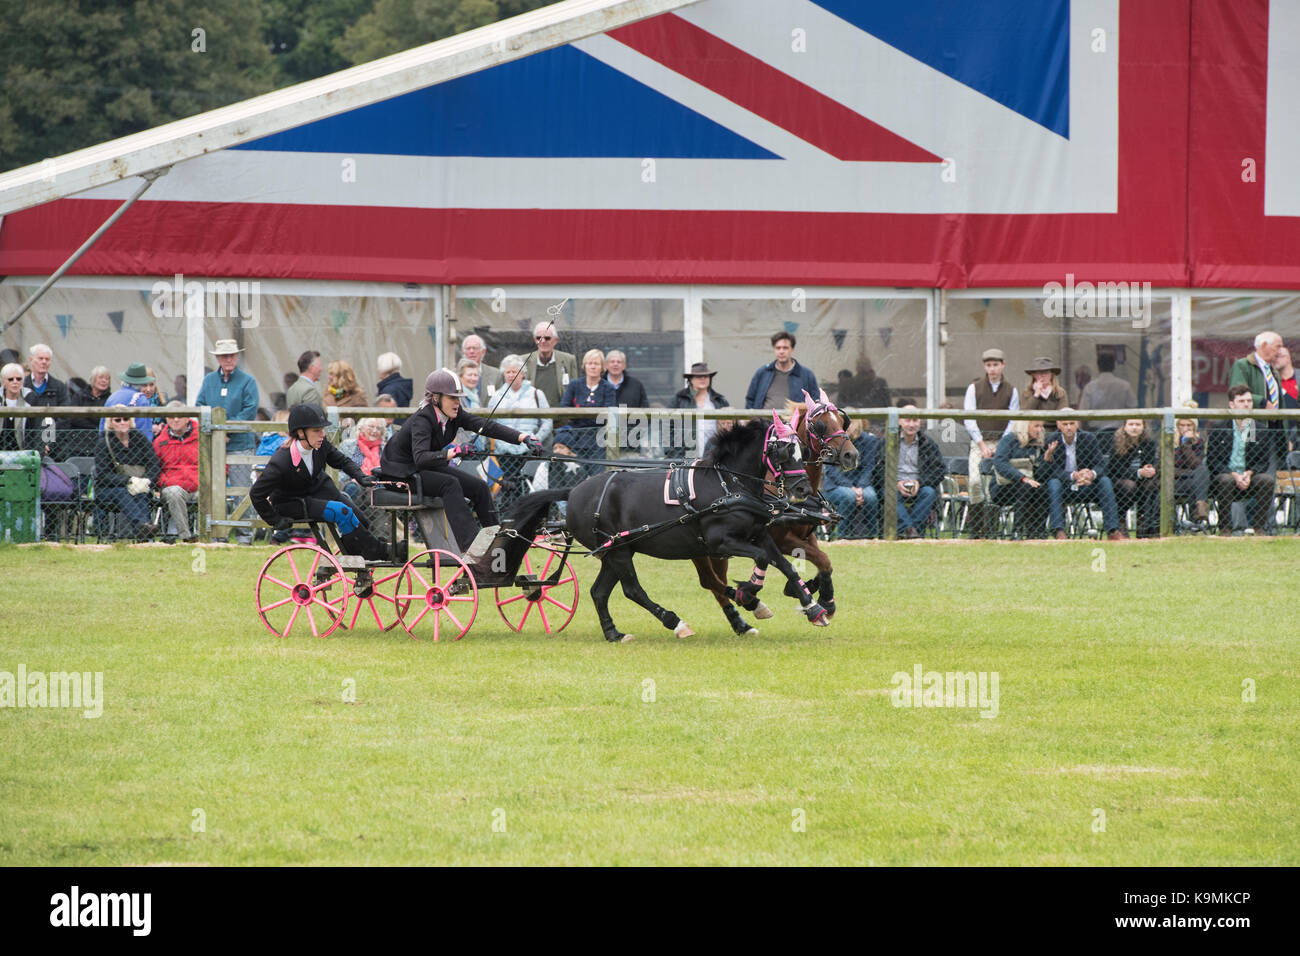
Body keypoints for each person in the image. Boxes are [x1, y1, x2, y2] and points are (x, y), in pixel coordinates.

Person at [379, 369, 542, 554]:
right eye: (452, 398)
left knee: (479, 487)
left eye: (459, 397)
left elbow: (486, 426)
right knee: (450, 484)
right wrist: (454, 452)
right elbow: (421, 457)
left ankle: (496, 543)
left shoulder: (453, 415)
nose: (457, 402)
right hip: (401, 472)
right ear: (435, 398)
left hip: (424, 467)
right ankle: (471, 548)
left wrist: (523, 437)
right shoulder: (423, 419)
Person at [250, 404, 388, 592]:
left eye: (322, 430)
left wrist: (361, 476)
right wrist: (274, 520)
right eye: (316, 430)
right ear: (300, 433)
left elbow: (342, 461)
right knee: (341, 512)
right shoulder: (281, 461)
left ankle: (357, 557)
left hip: (318, 491)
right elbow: (256, 493)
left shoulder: (320, 445)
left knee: (360, 518)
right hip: (292, 502)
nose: (322, 434)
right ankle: (375, 551)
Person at [963, 347, 1019, 538]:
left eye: (996, 365)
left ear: (1003, 365)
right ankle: (975, 527)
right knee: (975, 482)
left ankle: (990, 528)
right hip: (979, 442)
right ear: (984, 367)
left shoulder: (1012, 390)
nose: (992, 369)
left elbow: (1013, 420)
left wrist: (1002, 445)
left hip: (1001, 443)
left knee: (992, 484)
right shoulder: (974, 388)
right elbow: (969, 418)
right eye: (988, 365)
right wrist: (981, 444)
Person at [1042, 410, 1124, 540]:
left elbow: (1101, 464)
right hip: (1064, 485)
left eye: (1072, 423)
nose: (1068, 427)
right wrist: (1073, 475)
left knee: (1105, 481)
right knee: (1053, 483)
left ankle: (1113, 530)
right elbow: (1050, 470)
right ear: (1058, 424)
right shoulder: (1051, 439)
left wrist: (1090, 474)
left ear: (1077, 424)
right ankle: (1059, 531)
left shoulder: (1088, 438)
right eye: (1065, 424)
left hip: (1087, 485)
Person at [1207, 384, 1275, 535]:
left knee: (1267, 480)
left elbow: (1263, 461)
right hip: (1225, 478)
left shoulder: (1257, 429)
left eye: (1249, 401)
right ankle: (1225, 528)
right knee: (1226, 480)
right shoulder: (1220, 427)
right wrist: (1234, 475)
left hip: (1248, 478)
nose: (1246, 404)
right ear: (1232, 404)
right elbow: (1213, 460)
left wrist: (1249, 473)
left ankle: (1258, 528)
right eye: (1242, 401)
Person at [485, 355, 552, 510]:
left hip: (528, 450)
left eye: (514, 371)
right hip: (505, 452)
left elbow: (548, 421)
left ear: (523, 373)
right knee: (509, 488)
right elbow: (490, 423)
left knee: (529, 486)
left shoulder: (536, 393)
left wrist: (536, 438)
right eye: (507, 372)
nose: (511, 375)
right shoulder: (496, 396)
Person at [870, 402, 945, 538]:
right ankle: (912, 531)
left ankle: (909, 531)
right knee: (889, 493)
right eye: (907, 420)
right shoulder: (886, 442)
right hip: (894, 485)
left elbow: (939, 470)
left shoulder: (928, 443)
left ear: (920, 422)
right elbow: (877, 469)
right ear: (899, 421)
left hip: (920, 485)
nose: (911, 424)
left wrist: (920, 482)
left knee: (929, 493)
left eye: (915, 420)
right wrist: (895, 483)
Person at [195, 339, 260, 481]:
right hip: (213, 445)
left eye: (232, 355)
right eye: (225, 356)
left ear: (237, 357)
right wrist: (217, 432)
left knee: (241, 491)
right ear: (218, 358)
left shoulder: (248, 381)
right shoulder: (209, 380)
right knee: (212, 491)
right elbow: (200, 406)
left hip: (240, 445)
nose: (229, 359)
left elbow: (250, 410)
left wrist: (223, 429)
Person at [94, 407, 162, 540]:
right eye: (117, 420)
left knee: (140, 493)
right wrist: (128, 480)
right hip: (108, 489)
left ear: (131, 422)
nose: (122, 422)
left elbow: (154, 465)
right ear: (111, 423)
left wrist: (147, 481)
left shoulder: (140, 439)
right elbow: (103, 475)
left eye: (126, 419)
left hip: (139, 485)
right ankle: (143, 527)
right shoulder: (103, 443)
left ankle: (144, 533)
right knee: (123, 492)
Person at [555, 349, 618, 478]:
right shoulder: (575, 385)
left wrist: (580, 411)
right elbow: (564, 408)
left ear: (602, 367)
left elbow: (607, 414)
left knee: (597, 477)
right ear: (584, 365)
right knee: (577, 476)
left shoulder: (608, 388)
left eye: (596, 363)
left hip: (598, 439)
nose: (593, 366)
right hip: (575, 438)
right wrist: (590, 412)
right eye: (589, 363)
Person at [1229, 331, 1285, 467]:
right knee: (1257, 470)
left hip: (1274, 430)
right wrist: (1262, 401)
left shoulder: (1273, 371)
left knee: (1273, 474)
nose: (1280, 351)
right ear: (1264, 345)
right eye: (1277, 346)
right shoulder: (1243, 365)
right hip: (1254, 429)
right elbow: (1236, 392)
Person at [990, 419, 1050, 536]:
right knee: (1025, 488)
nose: (1040, 430)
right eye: (1036, 426)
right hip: (1003, 487)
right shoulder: (1009, 440)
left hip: (1028, 487)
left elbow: (1040, 475)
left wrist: (1046, 459)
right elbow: (1000, 463)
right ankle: (1017, 531)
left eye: (1041, 426)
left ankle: (1038, 532)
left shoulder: (1038, 444)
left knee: (1043, 489)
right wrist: (1022, 478)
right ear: (1025, 426)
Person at [822, 419, 879, 539]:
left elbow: (869, 467)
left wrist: (860, 487)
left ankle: (873, 536)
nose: (846, 426)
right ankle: (842, 536)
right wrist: (851, 487)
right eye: (842, 422)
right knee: (848, 496)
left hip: (861, 484)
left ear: (858, 424)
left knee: (871, 496)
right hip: (835, 485)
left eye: (850, 422)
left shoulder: (868, 440)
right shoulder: (832, 440)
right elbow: (830, 470)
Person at [153, 403, 200, 542]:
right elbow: (154, 468)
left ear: (187, 418)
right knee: (173, 492)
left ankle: (208, 535)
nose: (175, 420)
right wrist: (162, 482)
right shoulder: (159, 442)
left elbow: (217, 461)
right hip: (173, 486)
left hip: (199, 485)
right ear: (166, 419)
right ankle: (186, 537)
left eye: (180, 416)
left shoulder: (202, 436)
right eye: (171, 417)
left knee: (211, 493)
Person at [338, 417, 389, 538]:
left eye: (379, 428)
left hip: (375, 484)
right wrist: (352, 478)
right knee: (352, 488)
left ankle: (380, 538)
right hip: (351, 482)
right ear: (361, 428)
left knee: (377, 492)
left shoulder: (385, 448)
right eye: (371, 426)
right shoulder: (348, 445)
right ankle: (351, 533)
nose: (375, 430)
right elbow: (338, 469)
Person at [745, 331, 819, 410]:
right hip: (764, 421)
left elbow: (815, 402)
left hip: (793, 421)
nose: (781, 351)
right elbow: (750, 400)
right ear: (774, 349)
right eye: (778, 348)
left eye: (785, 348)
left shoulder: (806, 375)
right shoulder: (762, 372)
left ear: (792, 349)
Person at [1110, 419, 1160, 538]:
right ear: (1125, 426)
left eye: (1138, 424)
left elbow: (1150, 462)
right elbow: (1114, 469)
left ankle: (1144, 523)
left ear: (1143, 427)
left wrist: (1149, 469)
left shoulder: (1149, 443)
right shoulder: (1116, 442)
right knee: (1130, 486)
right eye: (1131, 424)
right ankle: (1121, 520)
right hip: (1119, 480)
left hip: (1142, 480)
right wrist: (1138, 472)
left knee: (1151, 485)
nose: (1134, 427)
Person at [670, 362, 729, 459]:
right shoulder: (679, 399)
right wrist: (675, 454)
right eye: (698, 377)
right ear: (691, 380)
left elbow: (729, 429)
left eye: (706, 376)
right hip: (685, 455)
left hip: (714, 455)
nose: (703, 379)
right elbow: (667, 426)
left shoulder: (720, 400)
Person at [523, 320, 578, 407]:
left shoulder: (569, 360)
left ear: (555, 340)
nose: (543, 341)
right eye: (539, 338)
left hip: (561, 416)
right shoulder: (523, 361)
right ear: (535, 340)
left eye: (547, 338)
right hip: (532, 416)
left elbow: (575, 391)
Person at [1174, 405, 1211, 532]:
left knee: (1202, 470)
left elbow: (1197, 464)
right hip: (1174, 482)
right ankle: (1198, 519)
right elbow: (1168, 468)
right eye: (1182, 425)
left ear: (1194, 426)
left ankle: (1197, 518)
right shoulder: (1168, 441)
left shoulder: (1198, 442)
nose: (1185, 429)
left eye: (1189, 425)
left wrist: (1187, 445)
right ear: (1176, 426)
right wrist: (1183, 444)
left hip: (1192, 481)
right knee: (1198, 476)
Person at [1078, 352, 1136, 429]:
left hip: (1096, 434)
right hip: (1120, 432)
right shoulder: (1125, 386)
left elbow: (1083, 413)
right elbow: (1133, 408)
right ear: (1114, 366)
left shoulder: (1090, 387)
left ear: (1098, 367)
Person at [102, 363, 156, 438]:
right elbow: (145, 431)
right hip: (134, 446)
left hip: (110, 444)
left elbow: (102, 428)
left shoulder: (112, 397)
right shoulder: (141, 399)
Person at [322, 359, 368, 435]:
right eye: (329, 374)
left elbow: (363, 423)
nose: (329, 377)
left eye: (332, 374)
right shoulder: (327, 394)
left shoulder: (357, 397)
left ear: (342, 376)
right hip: (328, 439)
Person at [23, 344, 69, 409]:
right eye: (40, 358)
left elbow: (65, 413)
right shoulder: (22, 385)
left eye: (47, 359)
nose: (44, 362)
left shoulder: (59, 387)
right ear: (31, 360)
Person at [0, 363, 35, 451]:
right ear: (3, 382)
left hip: (23, 453)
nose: (15, 382)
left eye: (19, 379)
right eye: (11, 379)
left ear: (23, 381)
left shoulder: (31, 399)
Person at [460, 334, 504, 400]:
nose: (471, 351)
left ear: (483, 352)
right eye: (468, 348)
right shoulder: (454, 375)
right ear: (463, 352)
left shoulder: (496, 375)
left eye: (475, 348)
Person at [1273, 345, 1299, 453]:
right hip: (1279, 432)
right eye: (1274, 357)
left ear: (1288, 358)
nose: (1275, 360)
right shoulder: (1272, 381)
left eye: (1279, 356)